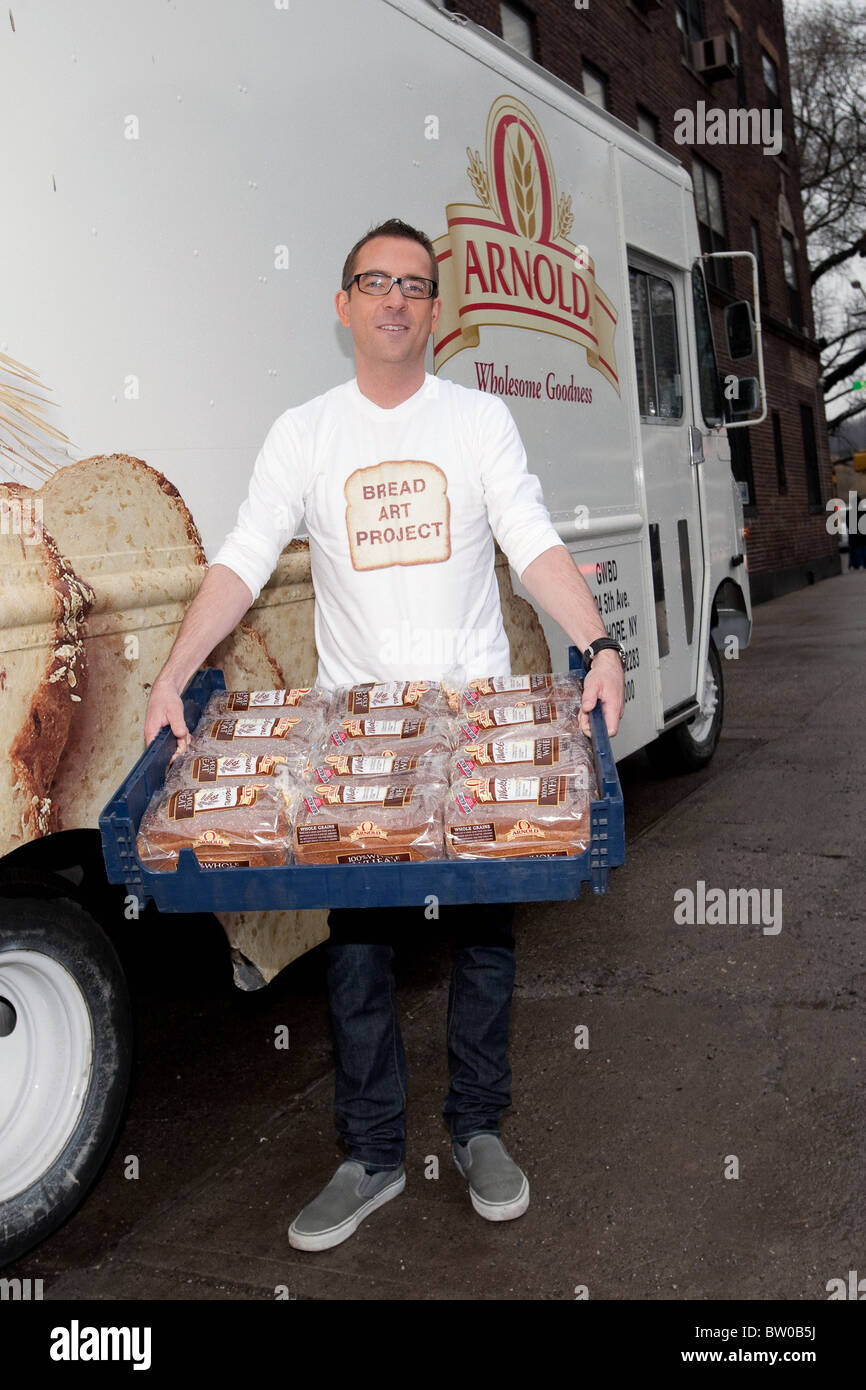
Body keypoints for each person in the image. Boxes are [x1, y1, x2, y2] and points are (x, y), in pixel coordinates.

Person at [144, 217, 625, 1252]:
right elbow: (238, 554)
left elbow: (530, 537)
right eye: (374, 282)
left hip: (473, 723)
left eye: (414, 284)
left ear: (435, 310)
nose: (395, 300)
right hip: (359, 739)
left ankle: (479, 1129)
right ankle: (368, 1153)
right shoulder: (306, 433)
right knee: (357, 950)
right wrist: (174, 673)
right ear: (344, 304)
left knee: (483, 939)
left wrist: (597, 643)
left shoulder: (477, 421)